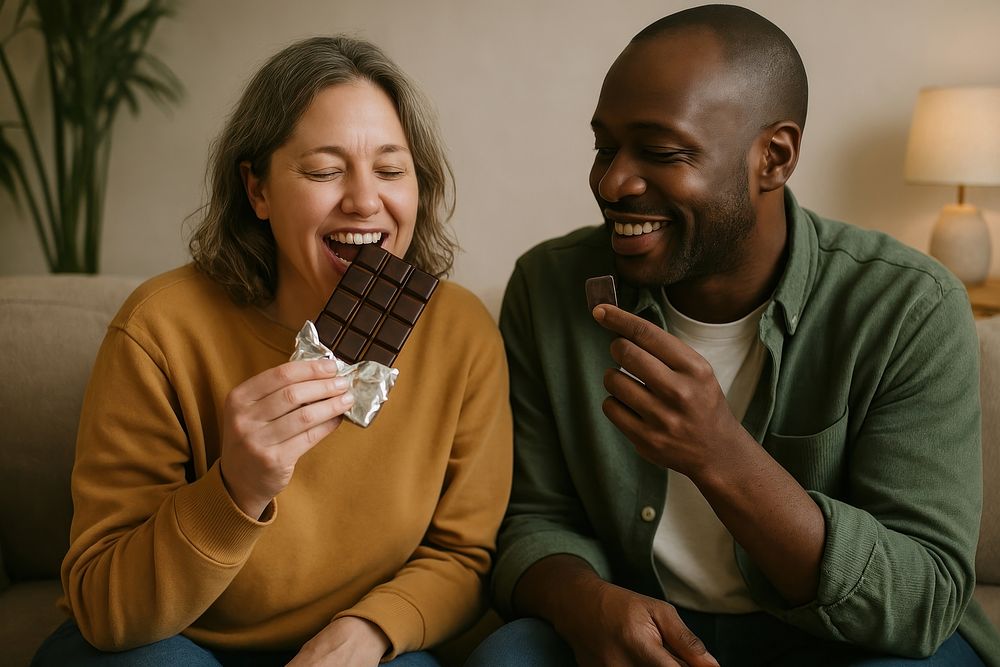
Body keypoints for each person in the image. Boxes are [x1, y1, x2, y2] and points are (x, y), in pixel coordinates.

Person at [467, 4, 1000, 667]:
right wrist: (587, 602)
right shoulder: (548, 285)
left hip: (836, 639)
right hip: (642, 617)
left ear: (772, 157)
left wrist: (719, 451)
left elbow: (923, 597)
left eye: (661, 152)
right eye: (605, 146)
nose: (611, 182)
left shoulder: (908, 307)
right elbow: (532, 516)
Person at [31, 36, 512, 667]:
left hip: (359, 645)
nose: (366, 201)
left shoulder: (461, 333)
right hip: (173, 641)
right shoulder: (160, 331)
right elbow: (104, 606)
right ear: (256, 190)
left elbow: (463, 555)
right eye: (323, 171)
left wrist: (372, 630)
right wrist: (236, 488)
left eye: (392, 171)